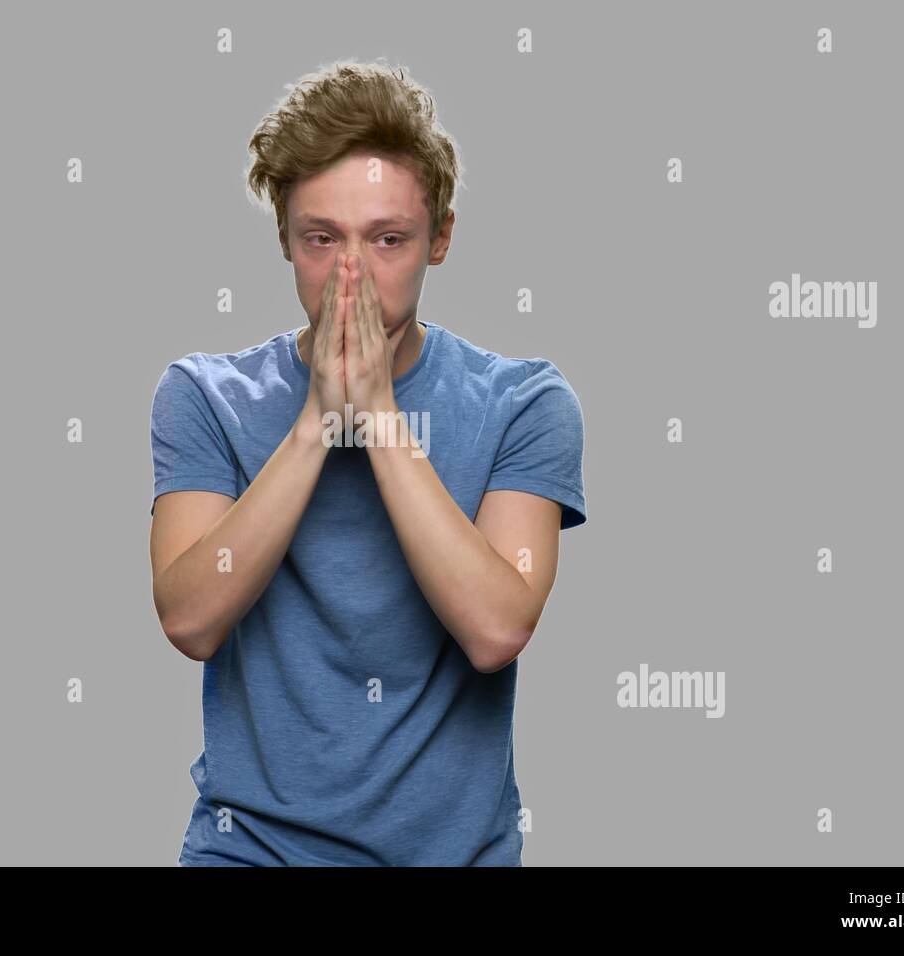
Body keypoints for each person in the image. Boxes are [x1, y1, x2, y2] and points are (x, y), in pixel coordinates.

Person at [149, 59, 586, 866]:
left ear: (440, 239)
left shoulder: (526, 403)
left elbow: (497, 629)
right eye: (322, 239)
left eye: (389, 240)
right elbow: (189, 619)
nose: (352, 277)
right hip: (249, 852)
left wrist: (379, 418)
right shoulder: (204, 395)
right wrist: (317, 422)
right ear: (284, 236)